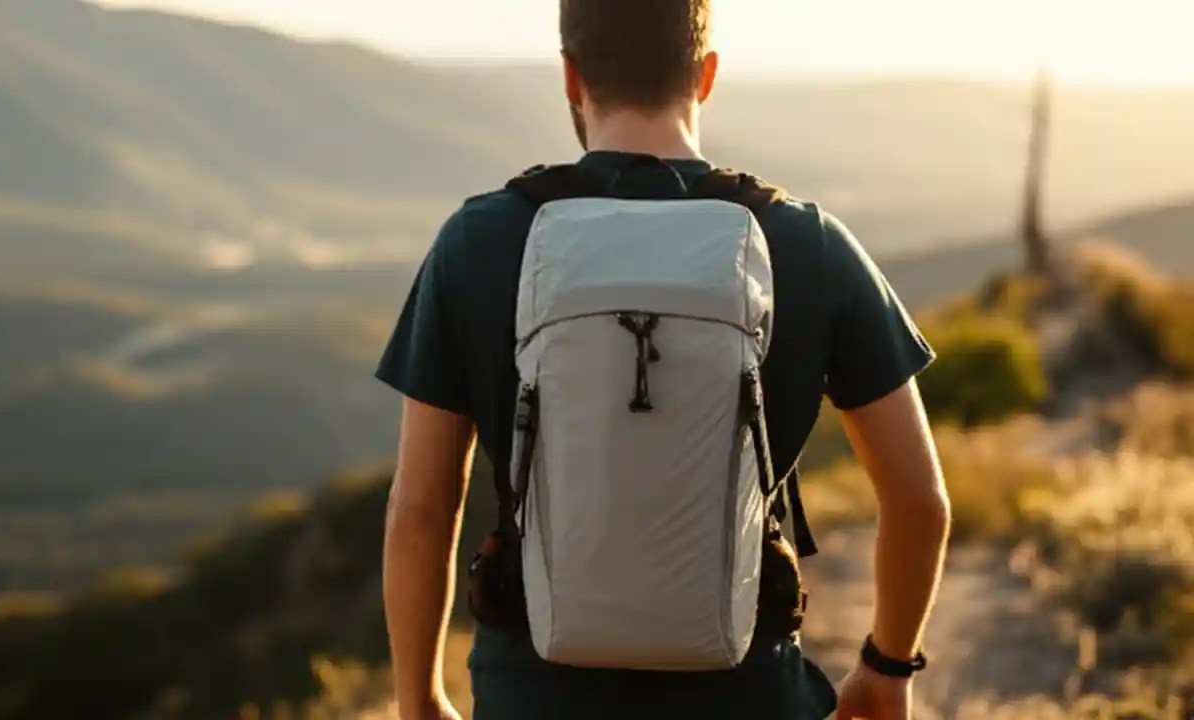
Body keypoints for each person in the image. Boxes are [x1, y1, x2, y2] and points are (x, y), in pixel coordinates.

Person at [376, 1, 952, 718]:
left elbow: (422, 511)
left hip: (533, 698)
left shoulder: (479, 241)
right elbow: (918, 500)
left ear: (570, 77)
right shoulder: (808, 245)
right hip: (749, 699)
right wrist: (887, 669)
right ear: (706, 74)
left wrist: (419, 700)